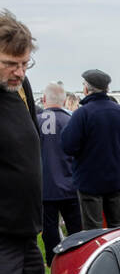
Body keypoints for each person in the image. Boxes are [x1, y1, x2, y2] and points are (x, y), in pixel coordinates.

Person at [0, 9, 45, 274]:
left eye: (24, 64)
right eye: (10, 64)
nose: (19, 72)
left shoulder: (22, 89)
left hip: (28, 233)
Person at [61, 68, 120, 232]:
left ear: (86, 89)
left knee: (93, 232)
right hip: (115, 179)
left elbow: (68, 146)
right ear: (107, 89)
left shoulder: (82, 114)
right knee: (118, 229)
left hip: (89, 182)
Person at [37, 83, 80, 263]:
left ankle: (52, 260)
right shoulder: (71, 120)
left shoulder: (36, 120)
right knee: (76, 228)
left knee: (49, 227)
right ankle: (79, 257)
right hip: (70, 183)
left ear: (44, 99)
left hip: (45, 184)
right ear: (64, 100)